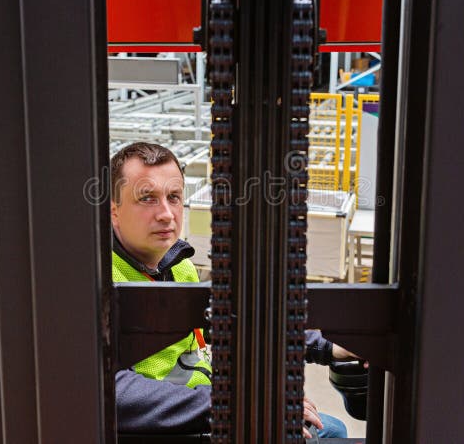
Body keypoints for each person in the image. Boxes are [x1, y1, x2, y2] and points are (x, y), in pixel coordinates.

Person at [111, 141, 358, 438]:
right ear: (114, 211)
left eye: (173, 197)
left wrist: (327, 346)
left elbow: (237, 320)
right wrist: (237, 405)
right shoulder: (100, 283)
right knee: (326, 434)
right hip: (172, 428)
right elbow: (113, 391)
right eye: (147, 198)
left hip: (205, 405)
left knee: (333, 429)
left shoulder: (178, 266)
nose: (166, 214)